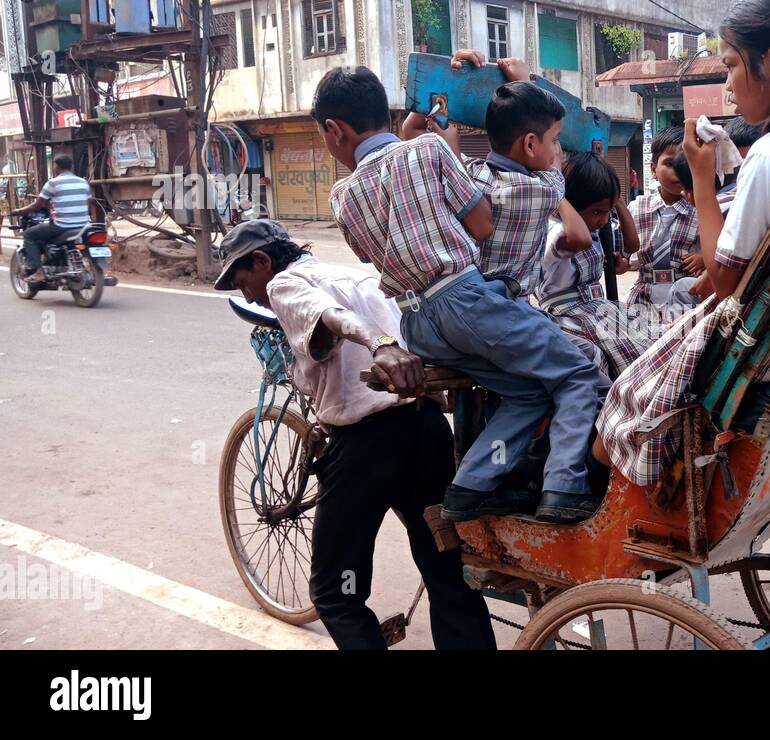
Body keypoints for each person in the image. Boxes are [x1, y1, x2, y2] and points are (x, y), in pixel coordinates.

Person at [316, 66, 605, 524]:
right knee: (578, 375)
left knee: (528, 395)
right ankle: (563, 488)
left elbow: (369, 255)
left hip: (416, 322)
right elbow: (482, 224)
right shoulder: (429, 150)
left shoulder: (341, 195)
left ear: (333, 130)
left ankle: (469, 485)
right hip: (466, 300)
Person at [595, 0, 770, 483]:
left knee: (624, 399)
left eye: (732, 66)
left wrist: (701, 176)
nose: (728, 87)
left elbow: (723, 276)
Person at [213, 219, 496, 650]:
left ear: (261, 261)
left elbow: (331, 317)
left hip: (367, 448)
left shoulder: (284, 285)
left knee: (335, 593)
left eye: (242, 280)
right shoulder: (353, 274)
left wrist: (380, 345)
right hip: (426, 432)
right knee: (448, 577)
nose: (246, 292)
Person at [402, 50, 589, 301]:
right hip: (516, 312)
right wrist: (523, 83)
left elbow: (411, 129)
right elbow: (554, 162)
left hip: (464, 307)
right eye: (555, 139)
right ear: (531, 145)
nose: (558, 147)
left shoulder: (465, 173)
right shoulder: (544, 189)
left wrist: (447, 81)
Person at [537, 152, 644, 380]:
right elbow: (579, 239)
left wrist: (618, 202)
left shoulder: (594, 229)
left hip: (596, 311)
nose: (604, 220)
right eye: (597, 212)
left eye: (608, 212)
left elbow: (632, 245)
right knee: (609, 354)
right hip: (567, 315)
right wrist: (558, 193)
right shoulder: (555, 231)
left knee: (646, 339)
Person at [625, 126, 703, 308]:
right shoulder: (637, 208)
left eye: (687, 164)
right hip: (644, 293)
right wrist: (622, 261)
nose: (678, 171)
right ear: (654, 169)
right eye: (670, 163)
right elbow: (626, 253)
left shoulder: (700, 210)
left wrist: (703, 258)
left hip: (685, 294)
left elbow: (714, 249)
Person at [10, 154, 91, 284]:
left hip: (63, 226)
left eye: (54, 165)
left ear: (57, 167)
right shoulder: (83, 182)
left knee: (29, 234)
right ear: (71, 167)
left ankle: (39, 272)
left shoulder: (53, 183)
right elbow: (88, 202)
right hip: (84, 225)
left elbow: (38, 205)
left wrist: (19, 211)